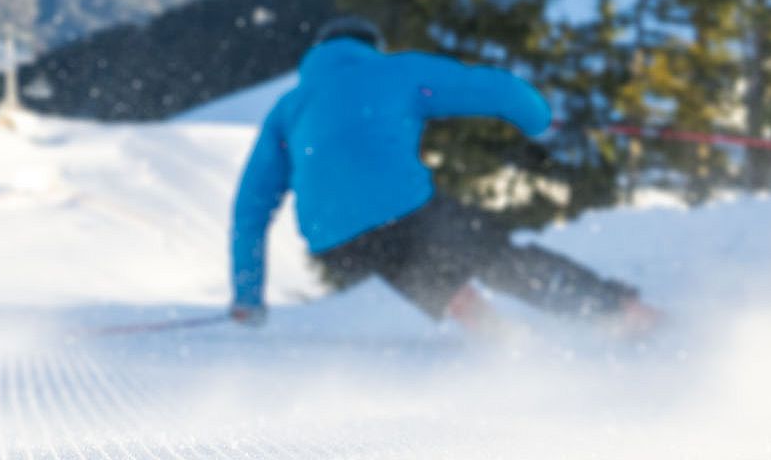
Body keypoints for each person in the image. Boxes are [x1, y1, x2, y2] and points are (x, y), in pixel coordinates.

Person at [227, 17, 661, 338]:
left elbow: (250, 208)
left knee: (414, 263)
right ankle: (621, 311)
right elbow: (482, 87)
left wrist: (248, 296)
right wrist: (537, 117)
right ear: (371, 46)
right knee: (496, 259)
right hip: (400, 205)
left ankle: (501, 340)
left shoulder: (288, 107)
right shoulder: (394, 71)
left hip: (336, 240)